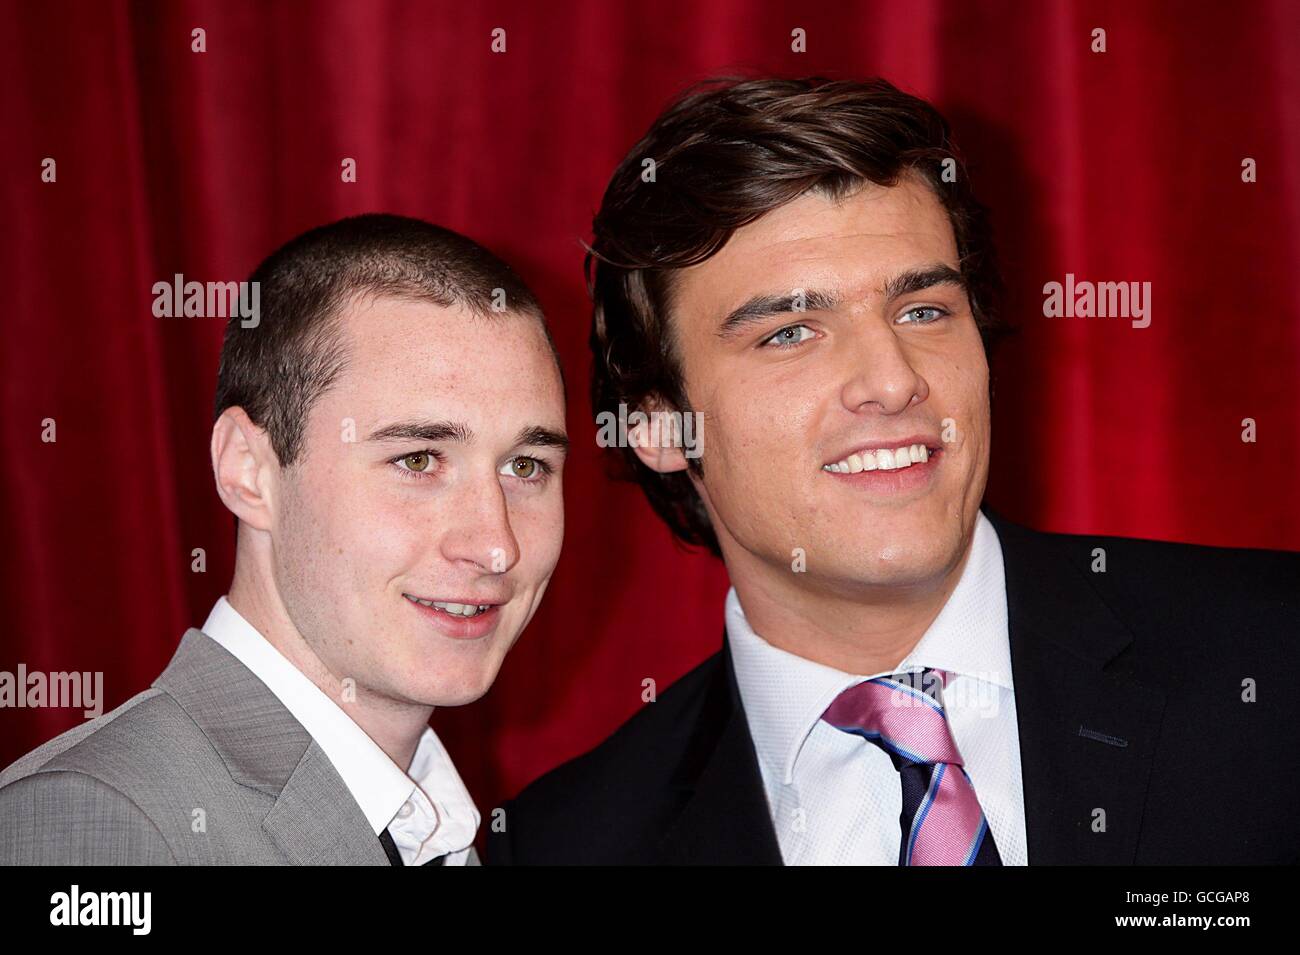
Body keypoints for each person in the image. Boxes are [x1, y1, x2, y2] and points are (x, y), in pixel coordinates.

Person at [488, 77, 1300, 865]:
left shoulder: (1272, 661)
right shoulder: (568, 843)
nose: (891, 378)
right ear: (658, 423)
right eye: (790, 332)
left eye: (923, 311)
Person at [0, 213, 568, 865]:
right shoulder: (95, 826)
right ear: (249, 470)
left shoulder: (439, 830)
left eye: (526, 466)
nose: (495, 545)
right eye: (418, 459)